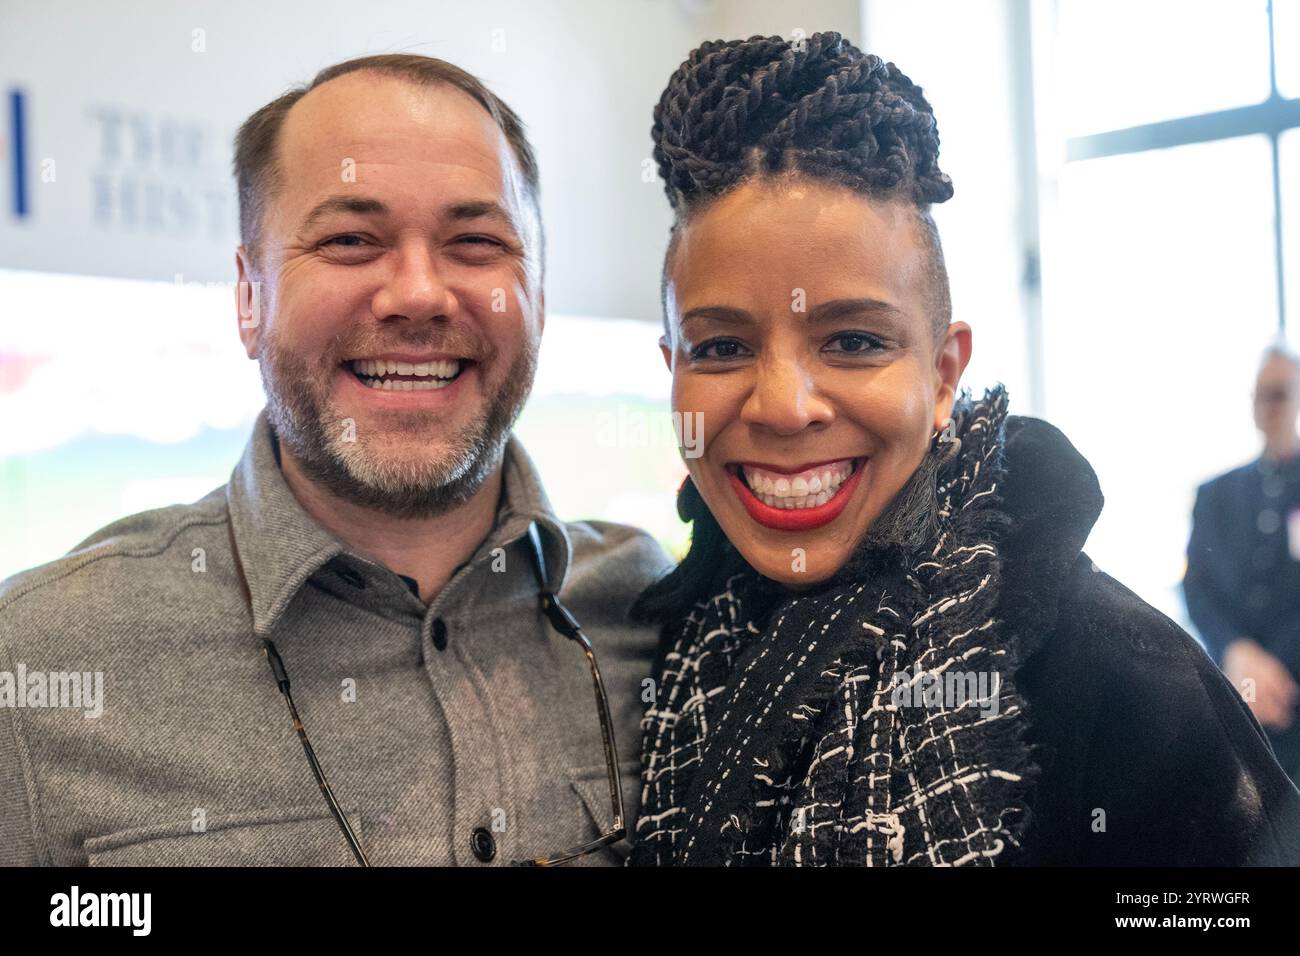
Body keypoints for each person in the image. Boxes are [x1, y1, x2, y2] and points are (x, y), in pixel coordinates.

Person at [627, 32, 1300, 866]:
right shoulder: (663, 650)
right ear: (672, 371)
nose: (783, 408)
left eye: (853, 342)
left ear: (944, 375)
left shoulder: (1124, 683)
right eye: (720, 349)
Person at [0, 54, 671, 866]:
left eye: (476, 242)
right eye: (352, 240)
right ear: (250, 298)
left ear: (536, 291)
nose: (419, 293)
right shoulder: (36, 664)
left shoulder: (653, 613)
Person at [1184, 344, 1300, 784]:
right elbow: (1198, 587)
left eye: (1279, 394)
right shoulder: (1215, 495)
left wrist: (1275, 671)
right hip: (1235, 698)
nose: (1267, 406)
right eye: (1259, 394)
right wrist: (1237, 652)